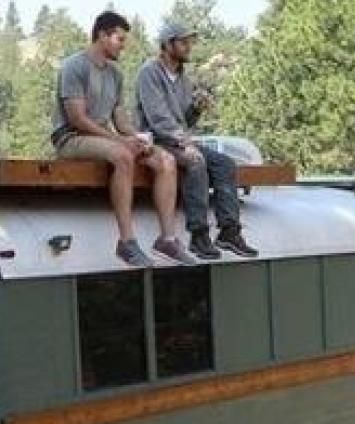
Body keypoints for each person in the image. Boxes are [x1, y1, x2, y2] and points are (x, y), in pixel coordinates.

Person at [50, 11, 196, 267]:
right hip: (71, 138)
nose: (123, 45)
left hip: (102, 138)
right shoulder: (75, 66)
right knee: (123, 155)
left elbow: (120, 120)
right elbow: (78, 119)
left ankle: (168, 239)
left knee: (165, 160)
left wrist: (137, 138)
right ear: (102, 36)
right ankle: (127, 242)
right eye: (119, 39)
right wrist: (120, 142)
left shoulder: (115, 75)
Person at [135, 23, 258, 260]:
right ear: (168, 44)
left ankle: (229, 231)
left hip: (178, 140)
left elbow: (184, 120)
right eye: (183, 42)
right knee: (196, 160)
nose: (189, 47)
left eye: (190, 42)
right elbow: (158, 119)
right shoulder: (149, 72)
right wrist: (185, 142)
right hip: (155, 142)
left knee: (225, 164)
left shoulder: (182, 78)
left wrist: (196, 108)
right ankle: (198, 235)